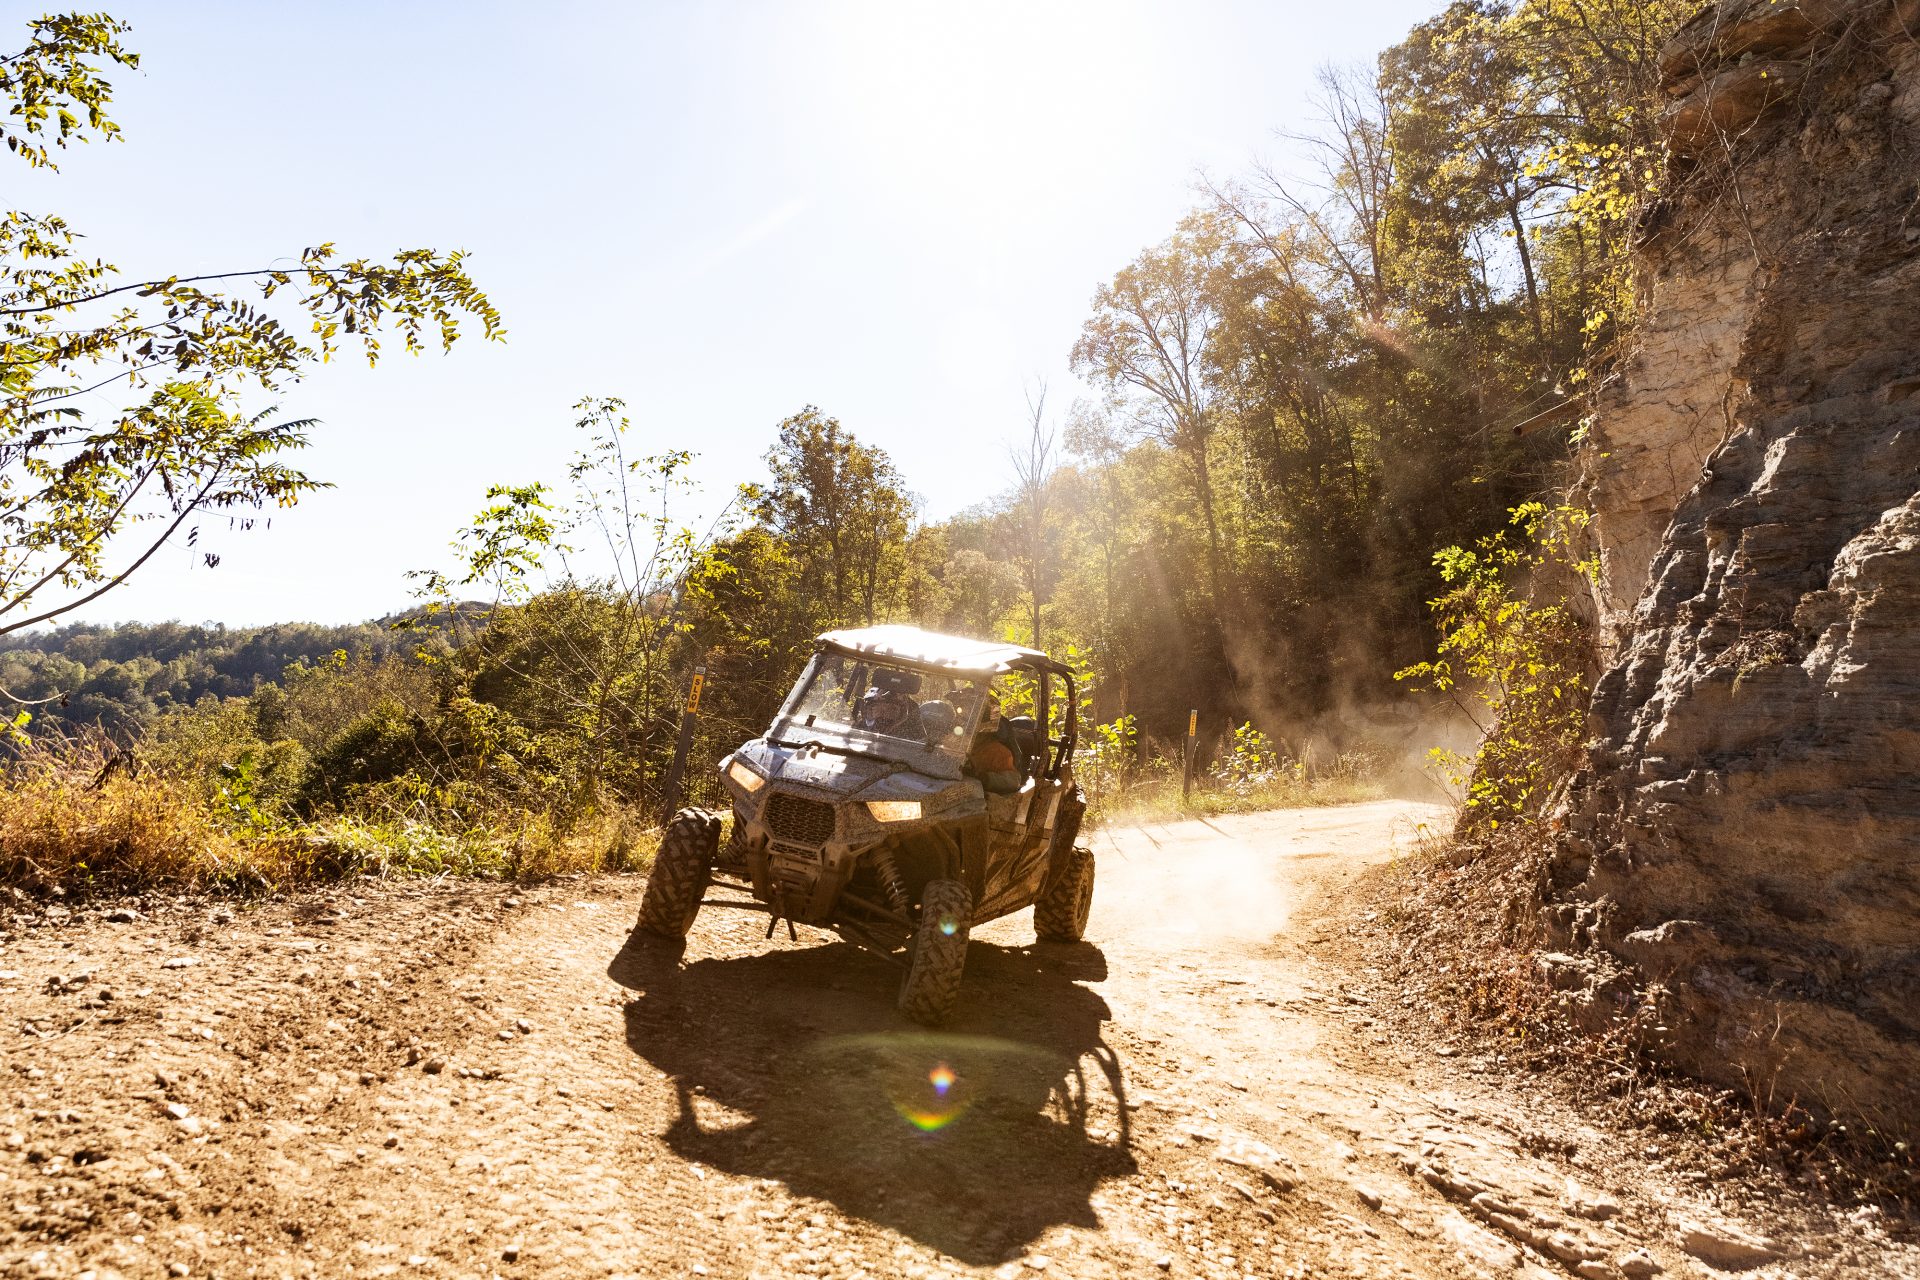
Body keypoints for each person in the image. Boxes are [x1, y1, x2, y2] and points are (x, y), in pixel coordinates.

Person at [965, 690, 1022, 794]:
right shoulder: (953, 743)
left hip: (981, 801)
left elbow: (1014, 781)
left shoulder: (998, 753)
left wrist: (984, 779)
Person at [856, 672, 923, 738]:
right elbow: (858, 731)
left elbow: (920, 739)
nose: (885, 713)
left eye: (893, 709)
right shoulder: (875, 700)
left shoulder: (912, 708)